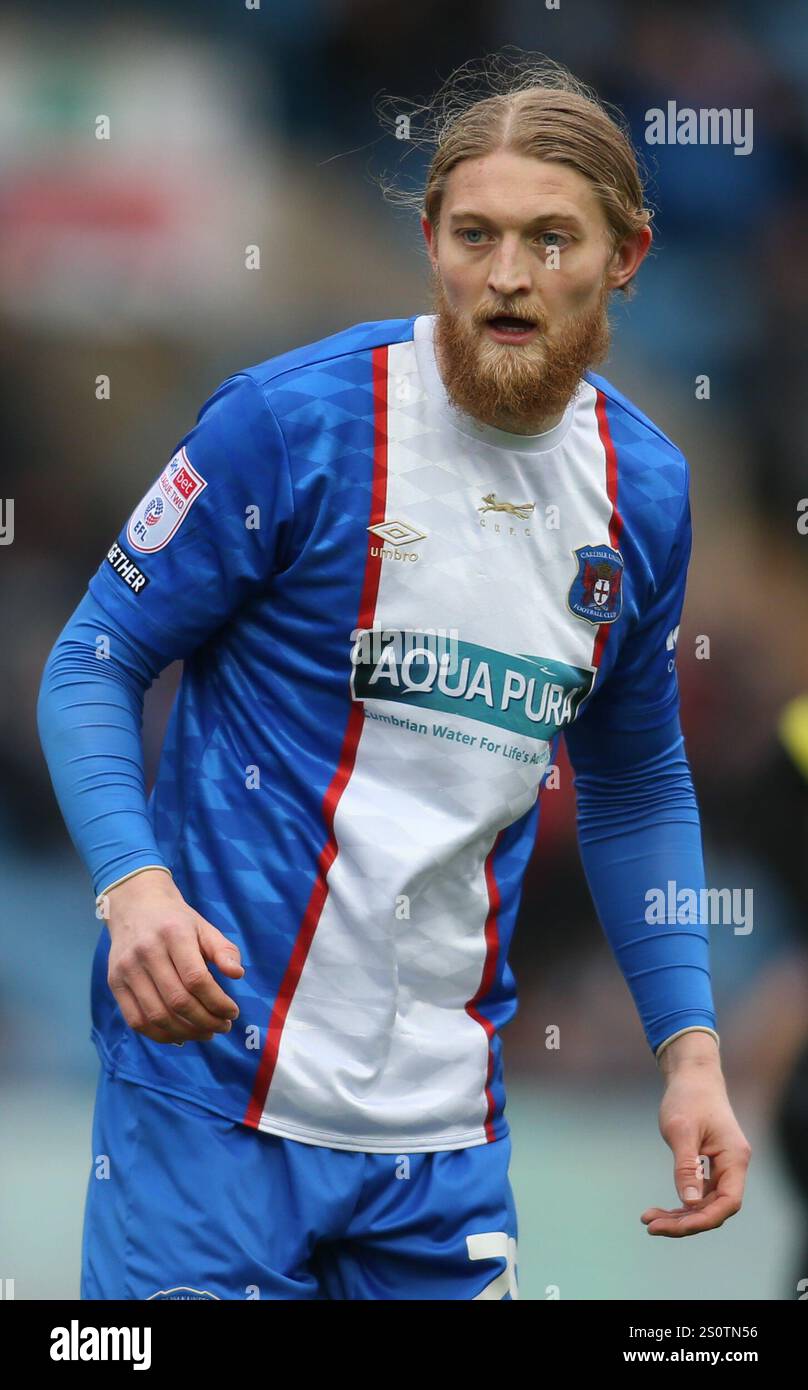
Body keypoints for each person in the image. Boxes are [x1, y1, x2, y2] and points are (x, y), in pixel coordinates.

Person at [37, 56, 750, 1301]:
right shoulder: (290, 424)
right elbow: (94, 656)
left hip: (441, 1141)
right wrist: (133, 884)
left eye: (550, 238)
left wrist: (689, 1053)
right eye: (474, 234)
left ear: (626, 257)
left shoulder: (645, 492)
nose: (508, 276)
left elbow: (636, 783)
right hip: (210, 1109)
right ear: (429, 241)